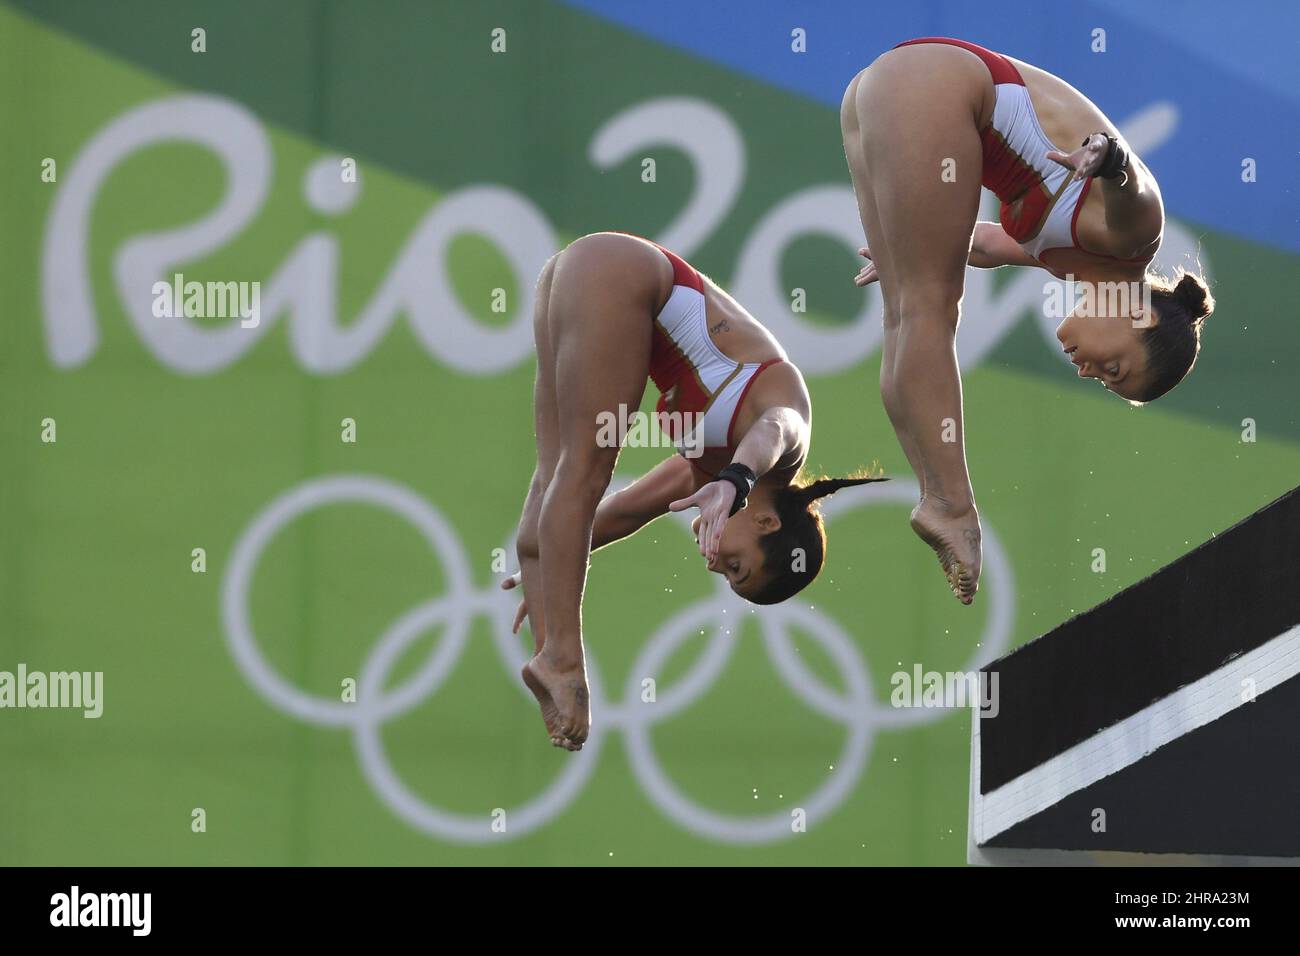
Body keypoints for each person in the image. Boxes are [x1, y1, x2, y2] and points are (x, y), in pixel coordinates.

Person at [840, 36, 1214, 604]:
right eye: (1114, 367)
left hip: (885, 89)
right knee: (927, 308)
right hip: (939, 83)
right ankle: (952, 506)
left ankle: (934, 494)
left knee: (905, 312)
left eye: (1104, 381)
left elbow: (989, 245)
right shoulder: (1136, 237)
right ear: (1138, 314)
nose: (1091, 373)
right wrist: (1108, 159)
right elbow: (1133, 186)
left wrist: (914, 237)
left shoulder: (1076, 263)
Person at [510, 232, 883, 750]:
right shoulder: (783, 446)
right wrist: (735, 483)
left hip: (574, 275)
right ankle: (564, 661)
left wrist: (556, 569)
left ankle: (549, 651)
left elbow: (619, 517)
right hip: (619, 274)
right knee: (581, 475)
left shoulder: (708, 472)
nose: (714, 567)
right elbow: (773, 428)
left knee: (554, 483)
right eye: (736, 568)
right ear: (767, 523)